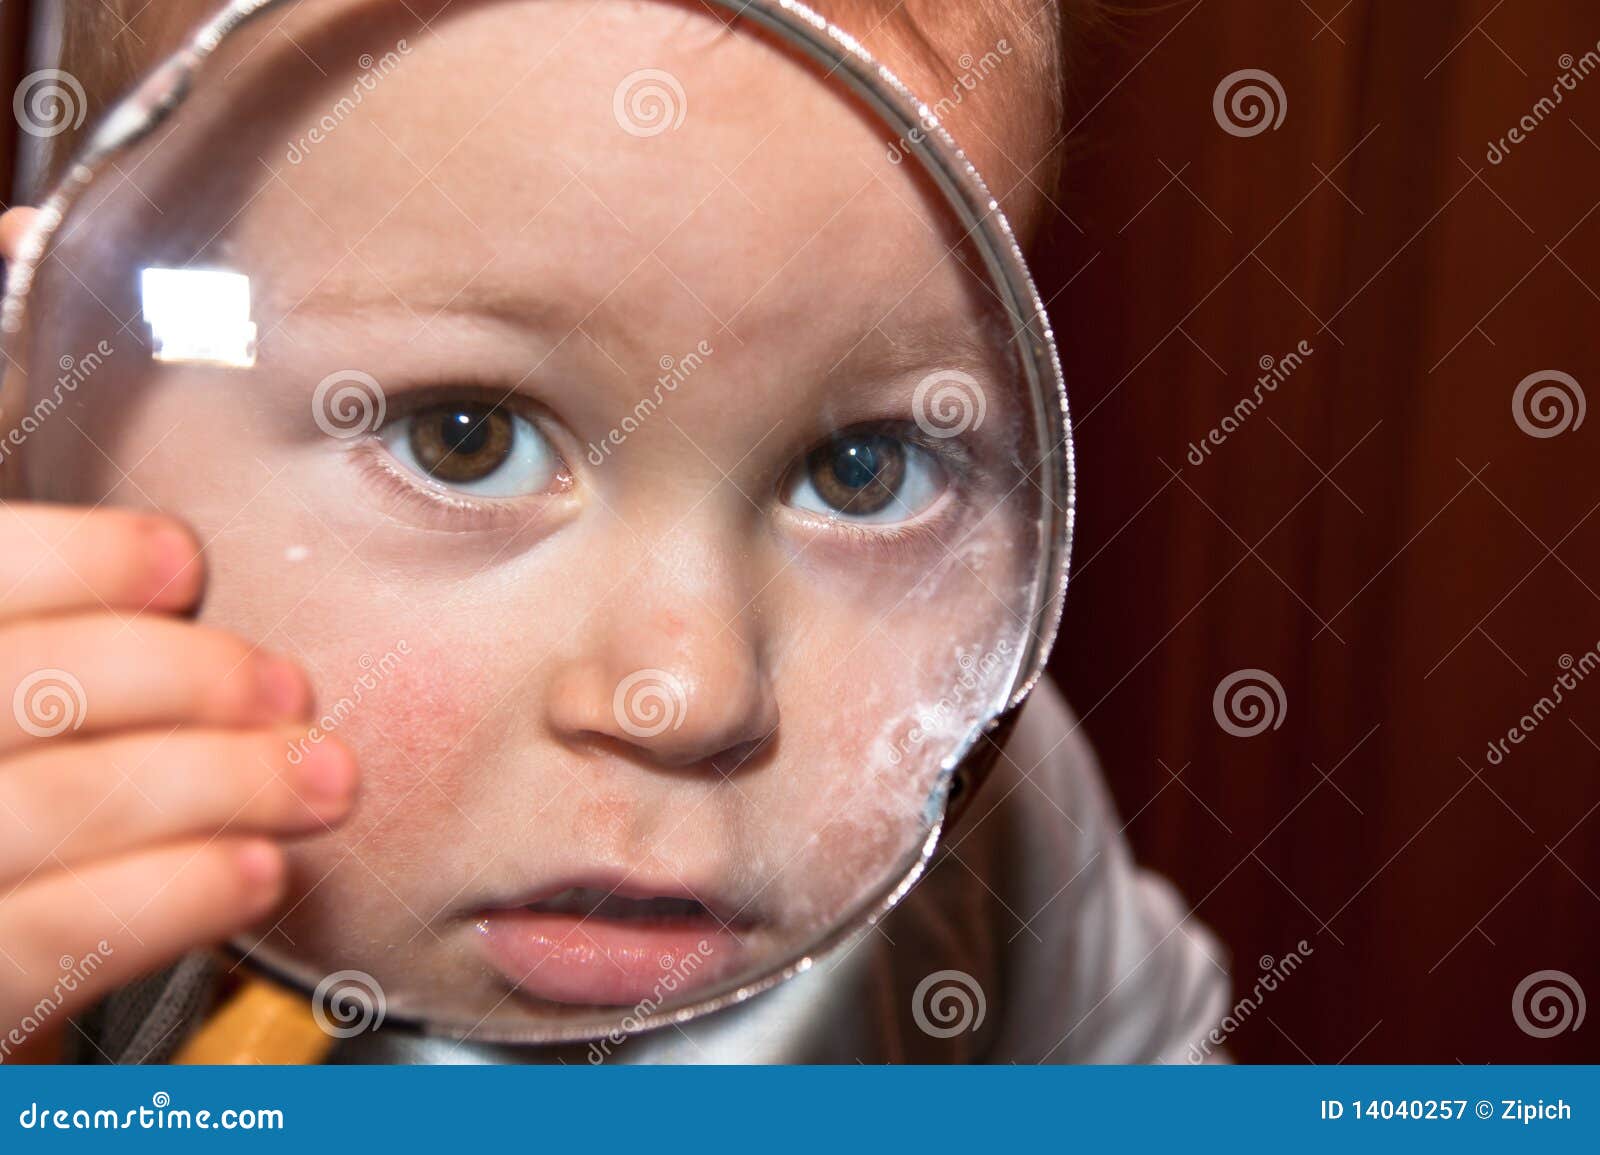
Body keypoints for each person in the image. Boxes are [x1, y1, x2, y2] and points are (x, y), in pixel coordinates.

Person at [0, 0, 1227, 1063]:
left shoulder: (983, 798)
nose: (688, 694)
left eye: (865, 469)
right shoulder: (65, 880)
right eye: (463, 436)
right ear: (65, 403)